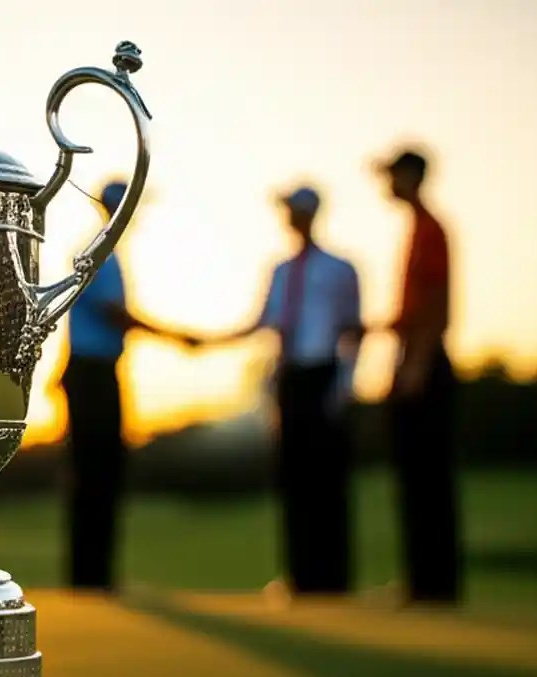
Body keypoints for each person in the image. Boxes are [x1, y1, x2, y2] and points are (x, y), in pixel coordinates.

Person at [194, 186, 362, 596]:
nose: (291, 216)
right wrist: (209, 342)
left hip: (323, 374)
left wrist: (344, 384)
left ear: (311, 213)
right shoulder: (282, 270)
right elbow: (262, 322)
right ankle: (301, 576)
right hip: (289, 378)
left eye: (296, 210)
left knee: (327, 481)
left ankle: (334, 579)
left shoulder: (341, 269)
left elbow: (353, 330)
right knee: (294, 477)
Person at [61, 180, 196, 591]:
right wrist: (175, 337)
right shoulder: (100, 252)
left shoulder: (110, 253)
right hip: (92, 374)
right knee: (95, 473)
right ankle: (90, 577)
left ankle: (96, 574)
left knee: (101, 471)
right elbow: (114, 314)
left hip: (94, 372)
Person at [375, 149, 461, 605]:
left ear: (410, 175)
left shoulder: (430, 229)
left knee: (427, 476)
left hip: (424, 364)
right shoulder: (419, 227)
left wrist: (416, 364)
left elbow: (435, 306)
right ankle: (424, 581)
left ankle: (434, 586)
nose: (386, 182)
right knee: (415, 475)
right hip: (415, 358)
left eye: (392, 174)